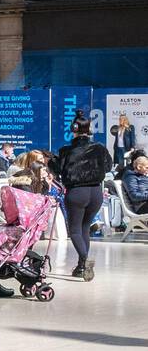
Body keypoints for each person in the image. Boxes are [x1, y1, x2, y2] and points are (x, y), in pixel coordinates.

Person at [55, 115, 112, 281]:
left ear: (73, 131)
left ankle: (85, 261)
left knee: (74, 230)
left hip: (76, 193)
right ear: (89, 131)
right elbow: (108, 166)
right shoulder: (100, 148)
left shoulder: (66, 151)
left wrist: (51, 161)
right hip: (96, 193)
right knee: (85, 228)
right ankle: (81, 267)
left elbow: (59, 169)